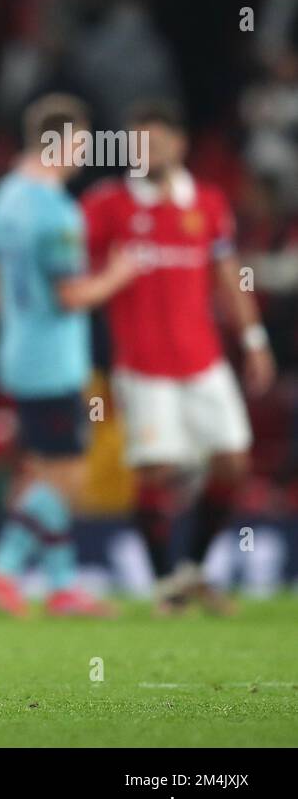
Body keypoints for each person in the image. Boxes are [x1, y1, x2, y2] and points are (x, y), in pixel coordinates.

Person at [82, 99, 275, 614]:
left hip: (204, 359)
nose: (146, 151)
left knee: (234, 463)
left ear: (179, 145)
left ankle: (190, 568)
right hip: (142, 366)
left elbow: (229, 276)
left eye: (156, 140)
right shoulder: (107, 205)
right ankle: (167, 581)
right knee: (157, 470)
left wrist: (253, 339)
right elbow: (78, 279)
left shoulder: (207, 203)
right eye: (137, 142)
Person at [0, 94, 138, 617]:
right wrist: (119, 274)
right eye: (81, 144)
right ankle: (2, 572)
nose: (83, 156)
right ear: (60, 142)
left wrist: (16, 324)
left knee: (42, 469)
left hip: (17, 350)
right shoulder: (58, 211)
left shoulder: (4, 198)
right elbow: (72, 295)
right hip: (54, 359)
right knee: (66, 476)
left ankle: (63, 584)